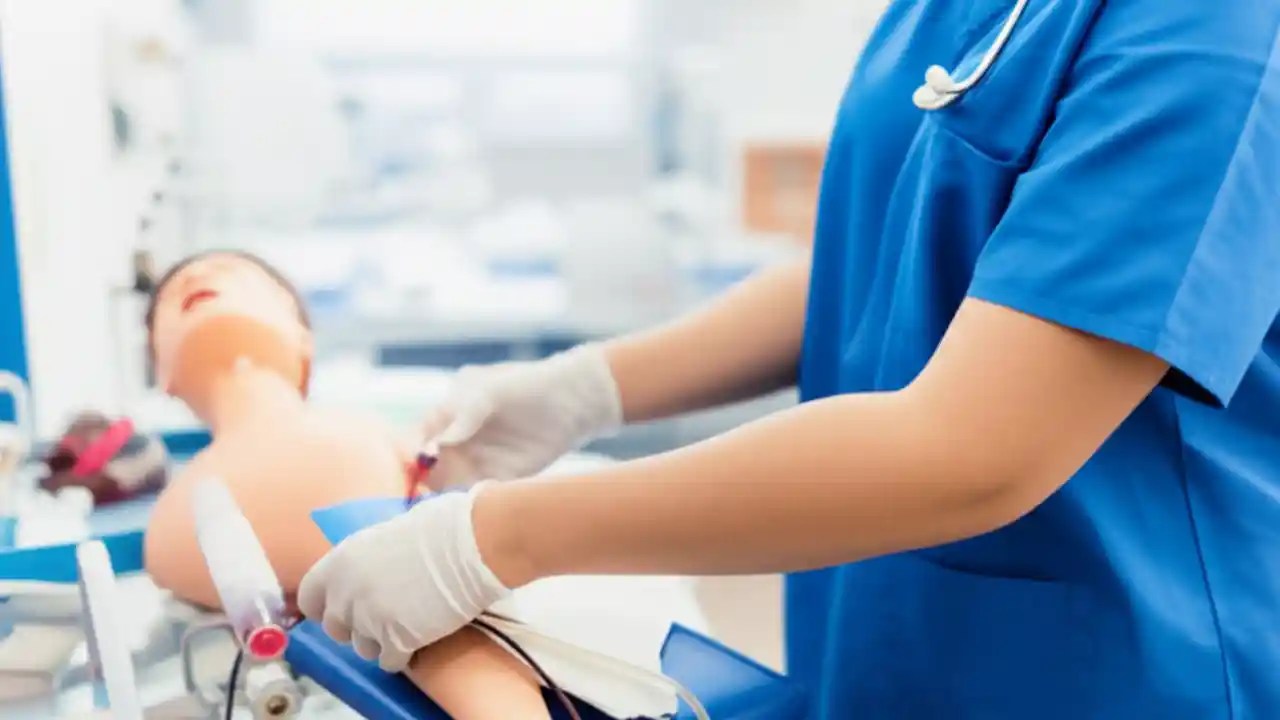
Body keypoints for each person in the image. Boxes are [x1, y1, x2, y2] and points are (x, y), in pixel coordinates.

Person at [299, 2, 1280, 718]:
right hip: (881, 648)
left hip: (1119, 674)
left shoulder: (1209, 34)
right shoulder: (935, 13)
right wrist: (586, 391)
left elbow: (976, 449)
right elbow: (887, 249)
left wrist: (498, 539)